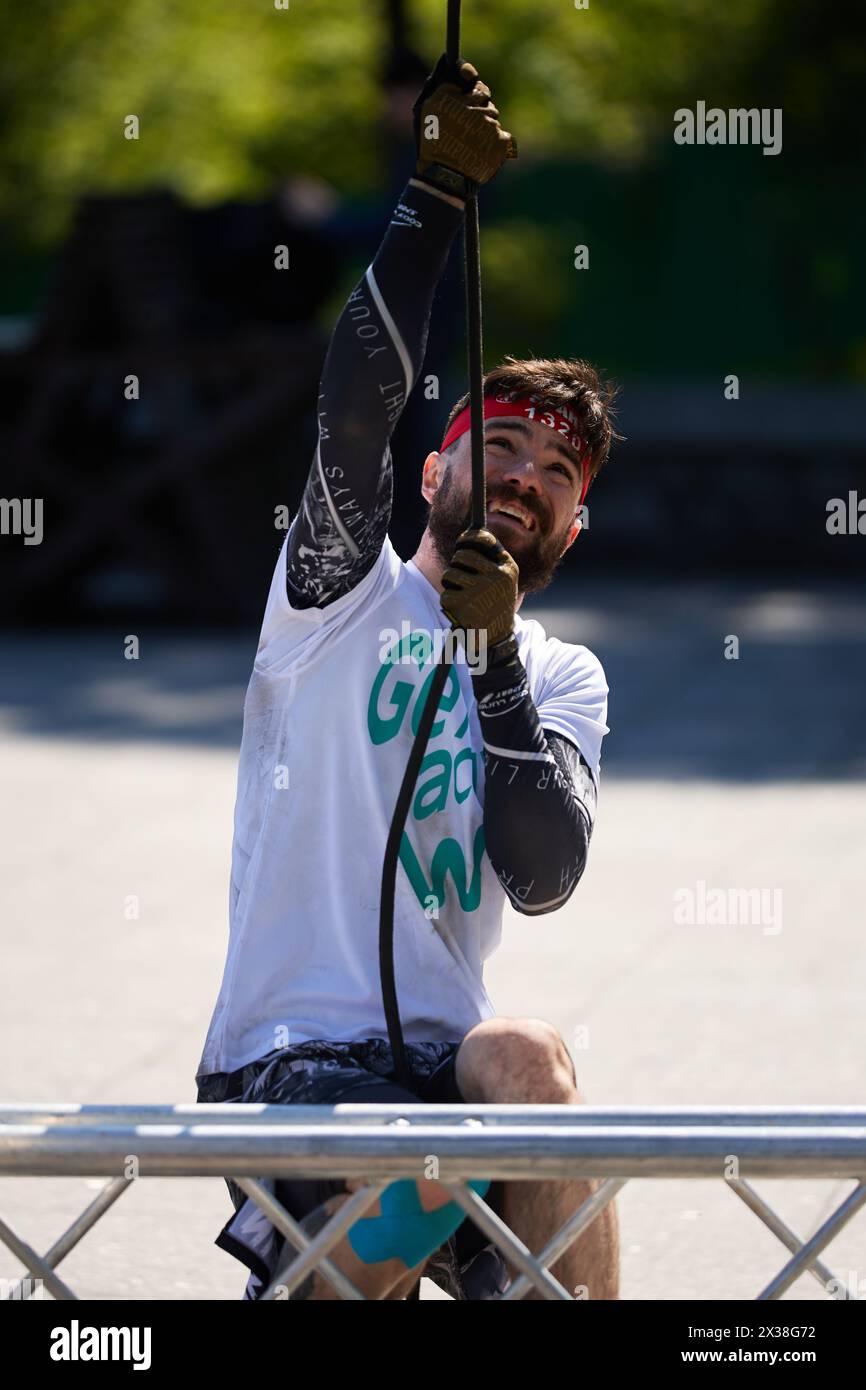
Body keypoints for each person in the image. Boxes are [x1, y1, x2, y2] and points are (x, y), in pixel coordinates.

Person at [195, 54, 621, 1301]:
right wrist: (433, 193)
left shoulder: (563, 676)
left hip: (443, 1073)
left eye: (556, 475)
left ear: (569, 530)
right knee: (411, 1163)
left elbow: (542, 877)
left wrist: (491, 665)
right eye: (499, 444)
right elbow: (347, 413)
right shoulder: (333, 598)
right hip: (293, 1066)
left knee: (528, 1054)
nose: (527, 474)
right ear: (436, 465)